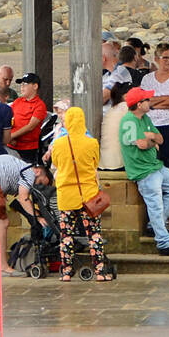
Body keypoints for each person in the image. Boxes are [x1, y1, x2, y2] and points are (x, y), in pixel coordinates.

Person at [120, 88, 169, 256]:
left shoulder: (145, 118)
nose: (151, 101)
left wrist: (150, 137)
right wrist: (151, 140)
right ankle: (164, 243)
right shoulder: (129, 121)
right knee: (155, 204)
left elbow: (160, 139)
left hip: (155, 165)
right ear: (139, 104)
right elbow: (143, 144)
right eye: (147, 100)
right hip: (143, 170)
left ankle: (154, 226)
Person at [50, 106, 112, 281]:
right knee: (94, 234)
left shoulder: (59, 144)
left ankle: (67, 272)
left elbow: (56, 163)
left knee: (66, 235)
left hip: (66, 195)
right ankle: (99, 272)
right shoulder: (92, 143)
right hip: (88, 194)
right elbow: (95, 163)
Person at [0, 152, 52, 275]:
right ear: (38, 171)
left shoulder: (19, 167)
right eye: (41, 183)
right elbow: (23, 198)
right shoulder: (29, 172)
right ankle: (3, 267)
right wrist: (37, 217)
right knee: (2, 222)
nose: (38, 187)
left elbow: (5, 179)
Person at [140, 43, 169, 183]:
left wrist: (154, 102)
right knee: (153, 165)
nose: (168, 61)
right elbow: (144, 102)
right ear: (156, 58)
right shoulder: (147, 79)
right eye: (165, 57)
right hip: (152, 125)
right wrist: (165, 98)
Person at [9, 72, 48, 162]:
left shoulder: (39, 105)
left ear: (35, 86)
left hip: (27, 149)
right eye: (21, 85)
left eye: (25, 84)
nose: (22, 87)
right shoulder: (18, 101)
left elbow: (30, 126)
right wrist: (9, 138)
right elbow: (7, 117)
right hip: (11, 145)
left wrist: (10, 136)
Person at [102, 42, 133, 113]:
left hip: (116, 120)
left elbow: (102, 98)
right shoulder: (107, 75)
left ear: (103, 58)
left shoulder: (121, 72)